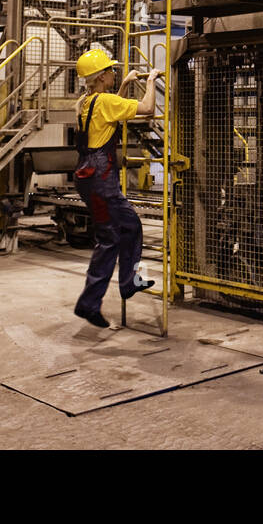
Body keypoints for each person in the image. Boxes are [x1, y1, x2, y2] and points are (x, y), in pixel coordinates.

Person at [71, 47, 161, 329]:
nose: (114, 73)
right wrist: (149, 81)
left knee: (110, 236)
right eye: (111, 71)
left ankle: (94, 300)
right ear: (100, 78)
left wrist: (123, 85)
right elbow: (146, 109)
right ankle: (125, 284)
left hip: (87, 174)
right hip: (101, 176)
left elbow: (111, 111)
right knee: (129, 227)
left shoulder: (87, 102)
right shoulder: (105, 101)